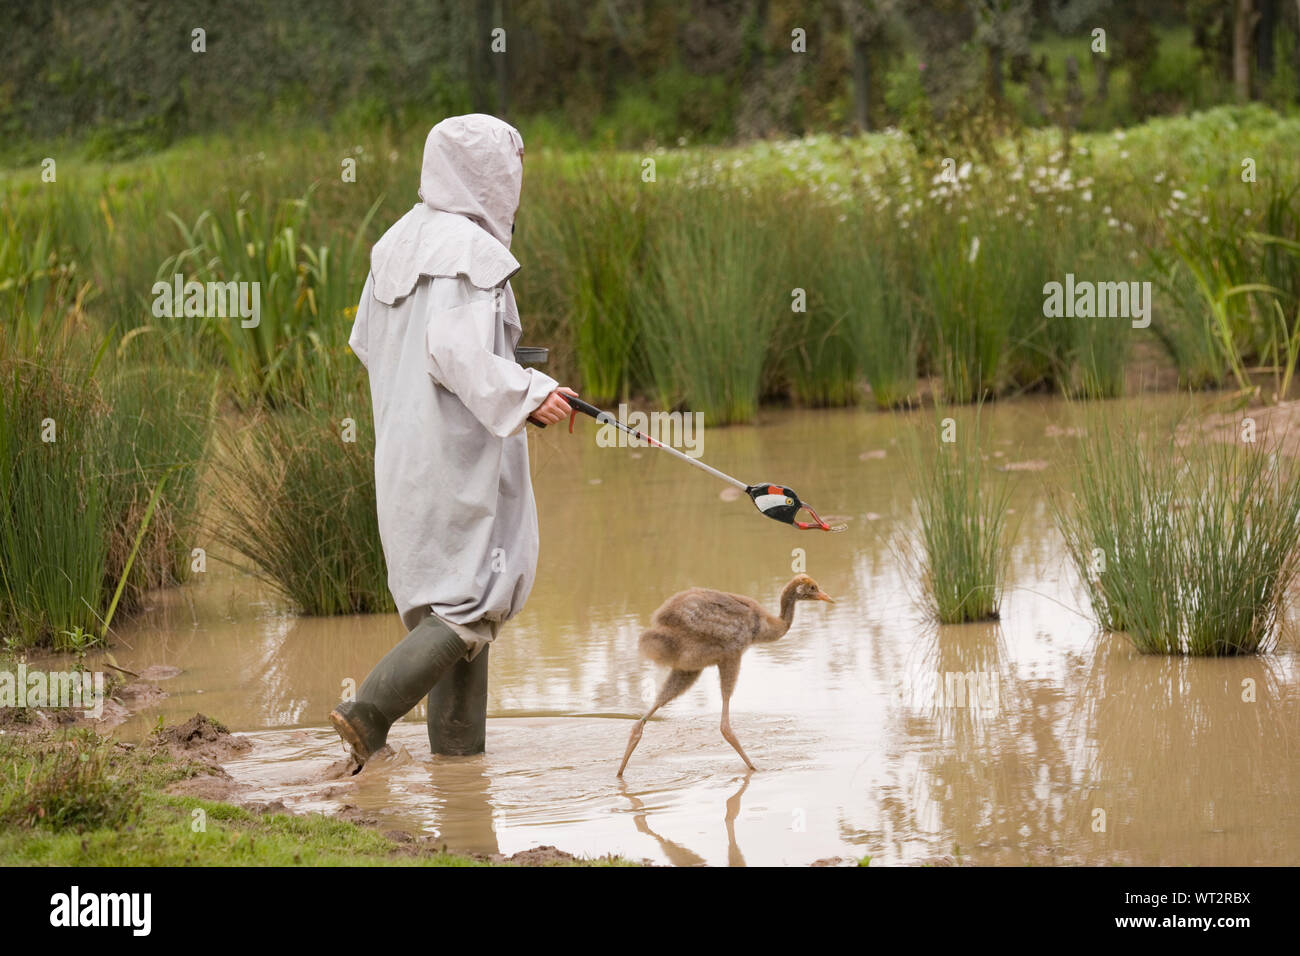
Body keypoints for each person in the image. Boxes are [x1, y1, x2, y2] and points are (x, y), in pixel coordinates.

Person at [330, 113, 575, 767]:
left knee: (454, 605)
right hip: (462, 451)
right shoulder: (473, 252)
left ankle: (460, 762)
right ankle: (369, 711)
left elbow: (372, 345)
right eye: (511, 165)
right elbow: (457, 352)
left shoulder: (395, 245)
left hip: (408, 447)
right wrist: (527, 394)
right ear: (487, 171)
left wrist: (519, 374)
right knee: (473, 600)